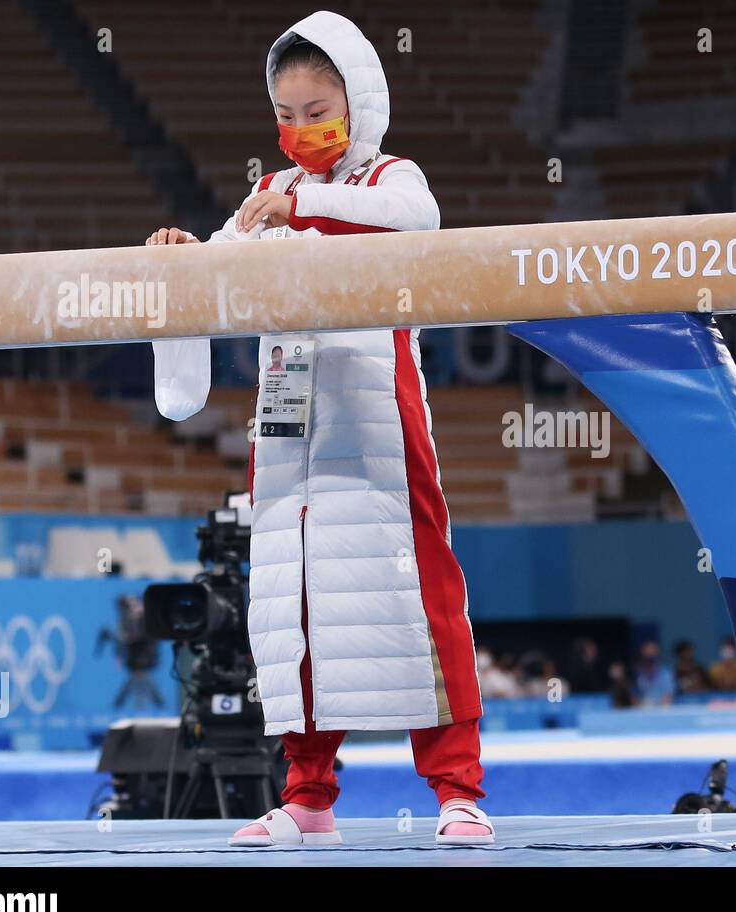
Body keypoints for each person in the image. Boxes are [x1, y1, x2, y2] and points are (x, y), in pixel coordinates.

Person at [146, 11, 492, 847]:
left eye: (318, 110)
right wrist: (183, 256)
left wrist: (296, 204)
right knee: (289, 607)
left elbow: (423, 223)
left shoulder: (389, 179)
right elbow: (216, 272)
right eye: (287, 115)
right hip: (287, 433)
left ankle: (458, 790)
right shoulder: (269, 196)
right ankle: (307, 795)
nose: (302, 130)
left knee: (420, 600)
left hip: (378, 424)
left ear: (360, 100)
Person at [632, 640, 675, 707]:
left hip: (662, 710)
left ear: (657, 653)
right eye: (647, 651)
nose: (650, 654)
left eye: (652, 651)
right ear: (642, 653)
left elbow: (669, 696)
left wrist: (658, 709)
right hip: (642, 710)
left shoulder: (666, 673)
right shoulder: (637, 674)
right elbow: (634, 697)